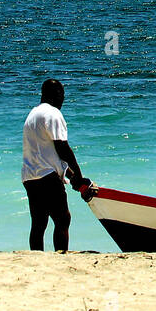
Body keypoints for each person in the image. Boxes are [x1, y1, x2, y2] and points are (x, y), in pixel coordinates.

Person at [21, 78, 93, 251]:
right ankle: (61, 255)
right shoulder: (53, 114)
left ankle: (36, 257)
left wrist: (72, 177)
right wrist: (80, 176)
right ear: (56, 95)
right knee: (63, 219)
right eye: (62, 95)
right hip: (47, 176)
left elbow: (47, 154)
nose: (63, 100)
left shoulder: (33, 114)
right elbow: (62, 148)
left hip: (30, 176)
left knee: (39, 222)